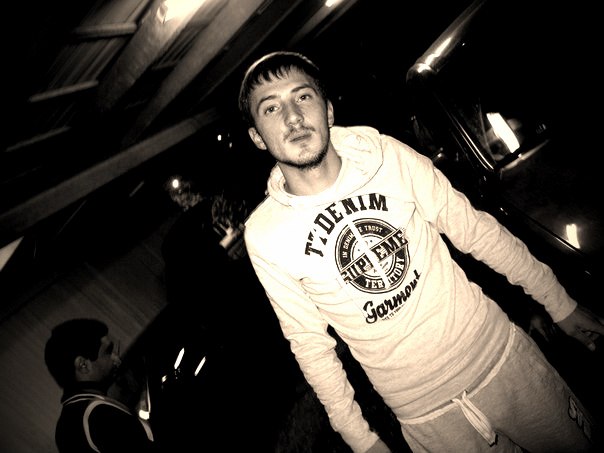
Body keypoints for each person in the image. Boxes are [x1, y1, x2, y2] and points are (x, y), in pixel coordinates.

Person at [237, 50, 604, 453]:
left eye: (302, 97)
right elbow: (309, 343)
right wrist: (361, 440)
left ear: (327, 111)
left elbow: (475, 230)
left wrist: (559, 303)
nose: (292, 117)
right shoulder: (266, 235)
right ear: (257, 137)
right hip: (429, 420)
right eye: (271, 108)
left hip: (505, 360)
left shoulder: (387, 156)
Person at [44, 318, 157, 453]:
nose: (116, 359)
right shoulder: (100, 414)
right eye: (108, 352)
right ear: (83, 365)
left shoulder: (64, 426)